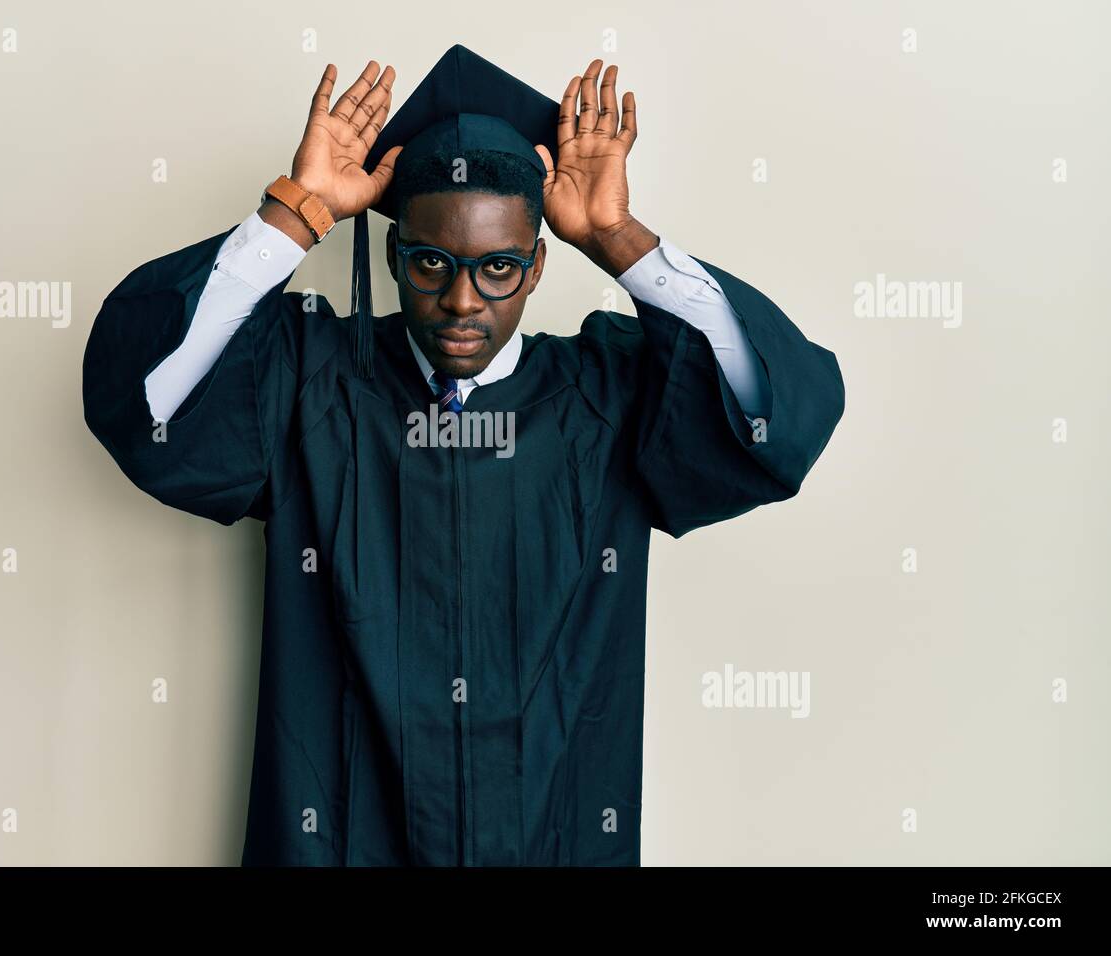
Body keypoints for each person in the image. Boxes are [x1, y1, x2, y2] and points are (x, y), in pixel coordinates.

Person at [82, 44, 845, 865]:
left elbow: (779, 423)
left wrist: (620, 238)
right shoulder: (311, 378)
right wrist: (296, 212)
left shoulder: (611, 392)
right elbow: (145, 402)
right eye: (433, 262)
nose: (461, 300)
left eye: (499, 269)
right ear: (392, 254)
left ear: (538, 263)